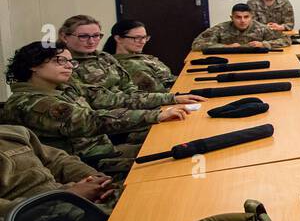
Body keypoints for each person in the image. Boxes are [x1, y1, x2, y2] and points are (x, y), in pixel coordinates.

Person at [1, 43, 191, 175]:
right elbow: (90, 121)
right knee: (173, 163)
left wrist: (170, 98)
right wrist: (156, 115)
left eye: (70, 62)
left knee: (182, 144)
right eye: (59, 61)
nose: (69, 66)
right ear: (33, 66)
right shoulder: (29, 103)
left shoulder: (65, 87)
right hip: (88, 166)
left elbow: (114, 99)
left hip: (108, 152)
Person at [59, 15, 200, 110]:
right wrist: (167, 102)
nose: (92, 41)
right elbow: (101, 102)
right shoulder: (64, 66)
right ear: (65, 37)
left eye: (96, 36)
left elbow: (131, 90)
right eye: (84, 36)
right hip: (115, 120)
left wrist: (171, 99)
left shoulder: (104, 57)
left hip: (135, 110)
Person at [0, 124, 116, 218]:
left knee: (126, 199)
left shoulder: (12, 133)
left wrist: (94, 179)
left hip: (73, 200)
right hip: (36, 220)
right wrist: (62, 196)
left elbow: (57, 161)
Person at [106, 19, 174, 94]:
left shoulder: (140, 57)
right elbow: (156, 92)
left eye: (145, 37)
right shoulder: (126, 65)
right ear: (118, 38)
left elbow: (168, 79)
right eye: (137, 38)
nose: (143, 42)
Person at [191, 3, 288, 50]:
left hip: (256, 62)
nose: (242, 21)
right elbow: (197, 44)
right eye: (238, 17)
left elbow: (286, 40)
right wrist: (225, 46)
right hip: (228, 63)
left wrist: (264, 44)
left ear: (251, 17)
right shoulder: (221, 28)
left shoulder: (261, 28)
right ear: (231, 17)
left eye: (246, 17)